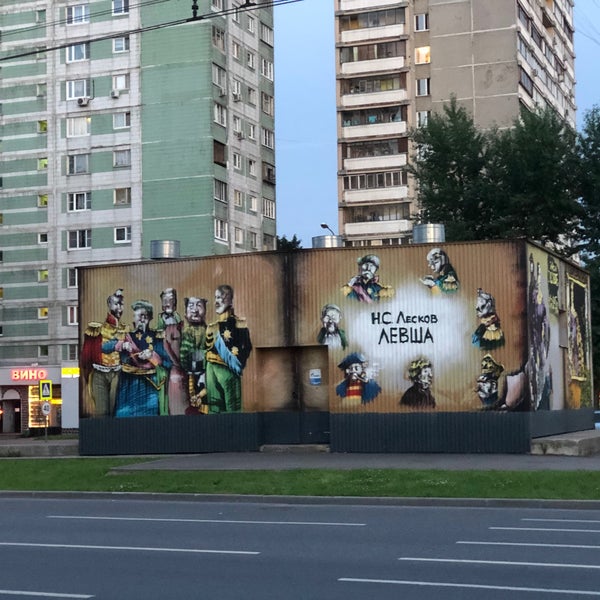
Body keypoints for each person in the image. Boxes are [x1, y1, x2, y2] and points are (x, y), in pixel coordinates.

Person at [115, 300, 171, 417]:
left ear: (150, 318)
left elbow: (167, 362)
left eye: (145, 316)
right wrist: (123, 346)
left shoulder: (156, 337)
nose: (142, 319)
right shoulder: (126, 337)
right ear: (133, 318)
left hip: (150, 384)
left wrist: (152, 356)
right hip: (129, 384)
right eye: (139, 316)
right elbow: (109, 352)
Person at [204, 285, 252, 413]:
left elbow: (246, 347)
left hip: (228, 368)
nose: (217, 301)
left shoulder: (239, 323)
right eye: (216, 297)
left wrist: (238, 363)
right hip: (211, 368)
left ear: (230, 300)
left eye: (221, 297)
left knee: (233, 408)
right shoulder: (211, 327)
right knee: (213, 408)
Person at [81, 289, 128, 417]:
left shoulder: (125, 329)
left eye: (121, 304)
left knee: (115, 407)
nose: (119, 308)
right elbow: (88, 355)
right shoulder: (97, 329)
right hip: (99, 373)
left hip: (117, 372)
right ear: (109, 305)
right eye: (116, 304)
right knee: (101, 411)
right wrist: (115, 345)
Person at [156, 288, 187, 415]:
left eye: (171, 300)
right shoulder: (159, 321)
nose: (168, 303)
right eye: (165, 300)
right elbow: (159, 344)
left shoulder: (179, 319)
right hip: (165, 361)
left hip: (179, 361)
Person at [179, 296, 208, 415]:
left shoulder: (208, 330)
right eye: (191, 306)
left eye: (199, 306)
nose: (195, 310)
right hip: (191, 372)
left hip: (207, 372)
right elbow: (184, 355)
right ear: (185, 312)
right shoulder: (187, 331)